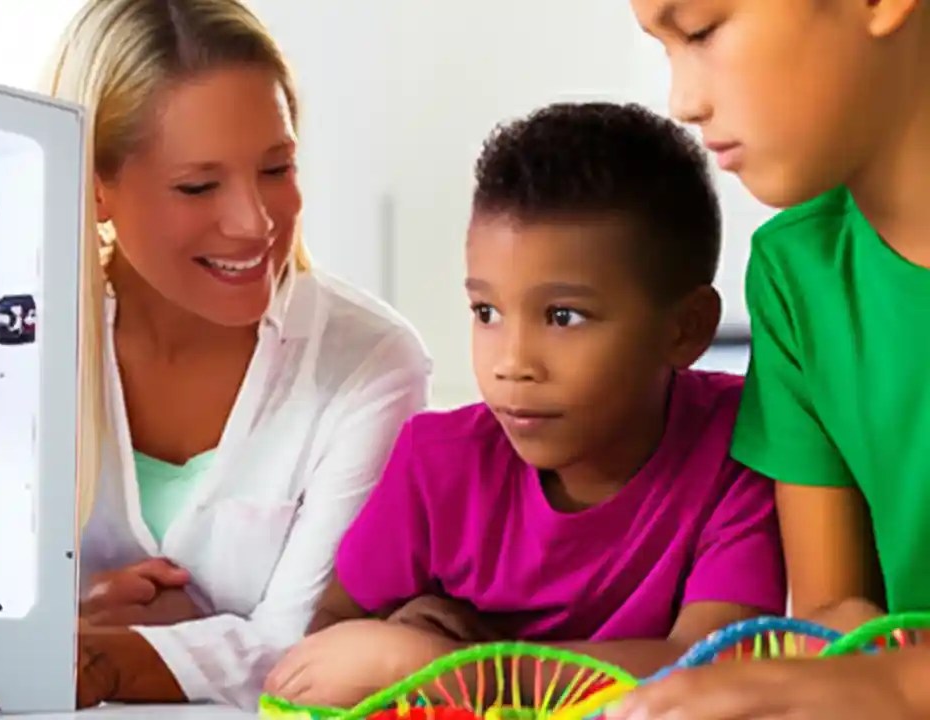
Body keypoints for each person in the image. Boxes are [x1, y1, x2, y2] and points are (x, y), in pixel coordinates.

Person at [264, 102, 787, 709]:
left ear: (685, 330)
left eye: (563, 316)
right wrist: (398, 638)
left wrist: (465, 672)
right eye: (486, 312)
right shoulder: (436, 465)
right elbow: (320, 651)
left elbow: (712, 670)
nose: (512, 362)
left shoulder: (738, 447)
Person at [41, 0, 431, 710]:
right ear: (95, 184)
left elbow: (304, 659)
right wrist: (198, 643)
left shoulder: (371, 362)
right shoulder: (13, 340)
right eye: (199, 186)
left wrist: (90, 649)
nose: (254, 223)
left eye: (277, 168)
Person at [605, 1, 930, 718]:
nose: (683, 101)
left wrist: (893, 684)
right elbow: (838, 626)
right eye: (666, 49)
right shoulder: (795, 277)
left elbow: (871, 680)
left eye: (700, 31)